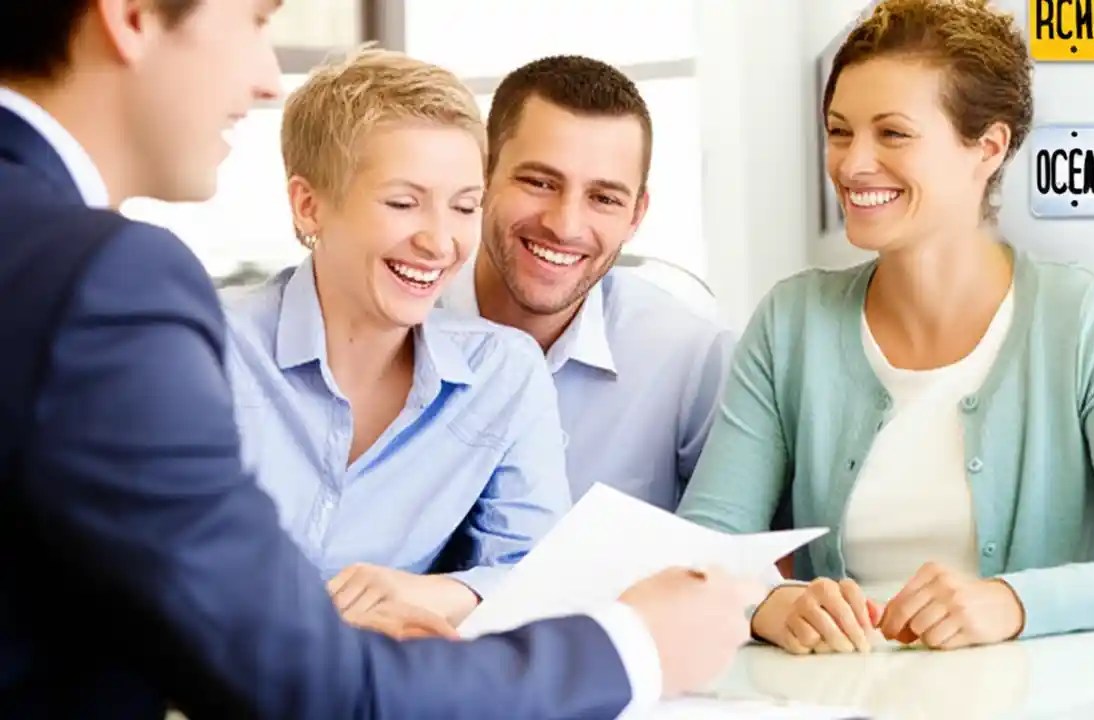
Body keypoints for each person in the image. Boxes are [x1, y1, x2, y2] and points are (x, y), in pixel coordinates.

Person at [0, 1, 751, 717]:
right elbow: (298, 680)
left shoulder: (524, 365)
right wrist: (632, 644)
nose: (267, 76)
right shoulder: (125, 287)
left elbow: (523, 568)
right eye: (255, 21)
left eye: (461, 205)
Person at [677, 0, 1094, 655]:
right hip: (835, 701)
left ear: (987, 149)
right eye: (840, 131)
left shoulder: (1084, 319)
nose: (852, 165)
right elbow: (697, 559)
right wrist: (770, 603)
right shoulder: (789, 324)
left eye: (893, 133)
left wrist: (1013, 602)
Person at [222, 48, 570, 630]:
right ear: (309, 206)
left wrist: (430, 595)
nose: (440, 242)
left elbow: (537, 568)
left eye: (464, 206)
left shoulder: (503, 372)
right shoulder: (208, 350)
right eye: (404, 203)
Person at [438, 55, 735, 512]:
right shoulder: (396, 326)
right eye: (539, 182)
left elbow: (741, 558)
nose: (565, 225)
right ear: (482, 174)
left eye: (603, 198)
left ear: (636, 214)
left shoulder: (690, 359)